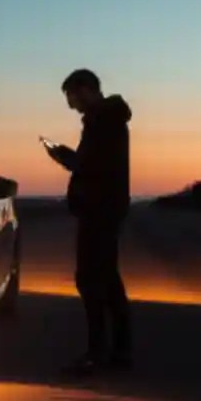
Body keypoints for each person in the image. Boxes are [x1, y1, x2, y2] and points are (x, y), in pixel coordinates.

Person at [44, 68, 132, 373]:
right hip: (102, 209)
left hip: (100, 210)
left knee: (94, 281)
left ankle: (100, 352)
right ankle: (116, 351)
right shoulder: (106, 120)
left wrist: (64, 157)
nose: (71, 105)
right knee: (104, 279)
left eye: (72, 97)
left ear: (86, 90)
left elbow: (93, 167)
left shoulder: (104, 122)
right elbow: (93, 164)